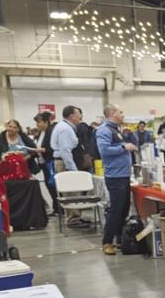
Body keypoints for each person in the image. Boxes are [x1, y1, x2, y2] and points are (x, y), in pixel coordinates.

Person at [96, 104, 138, 255]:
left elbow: (134, 145)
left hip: (124, 175)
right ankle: (107, 242)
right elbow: (104, 151)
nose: (123, 114)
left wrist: (130, 135)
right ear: (113, 113)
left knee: (124, 209)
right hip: (115, 176)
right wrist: (123, 148)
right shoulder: (104, 130)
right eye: (121, 112)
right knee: (116, 210)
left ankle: (121, 239)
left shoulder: (117, 129)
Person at [50, 105, 88, 226]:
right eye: (78, 114)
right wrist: (73, 169)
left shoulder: (65, 127)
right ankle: (73, 219)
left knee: (72, 191)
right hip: (64, 162)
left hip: (63, 161)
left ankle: (75, 217)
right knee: (71, 191)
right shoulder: (65, 129)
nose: (80, 117)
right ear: (72, 116)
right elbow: (65, 151)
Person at [33, 112, 57, 215]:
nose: (37, 124)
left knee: (52, 184)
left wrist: (44, 150)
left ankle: (57, 207)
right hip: (42, 161)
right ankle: (55, 207)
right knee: (48, 184)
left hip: (49, 161)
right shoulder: (41, 133)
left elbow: (53, 147)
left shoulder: (51, 131)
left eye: (39, 122)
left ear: (46, 122)